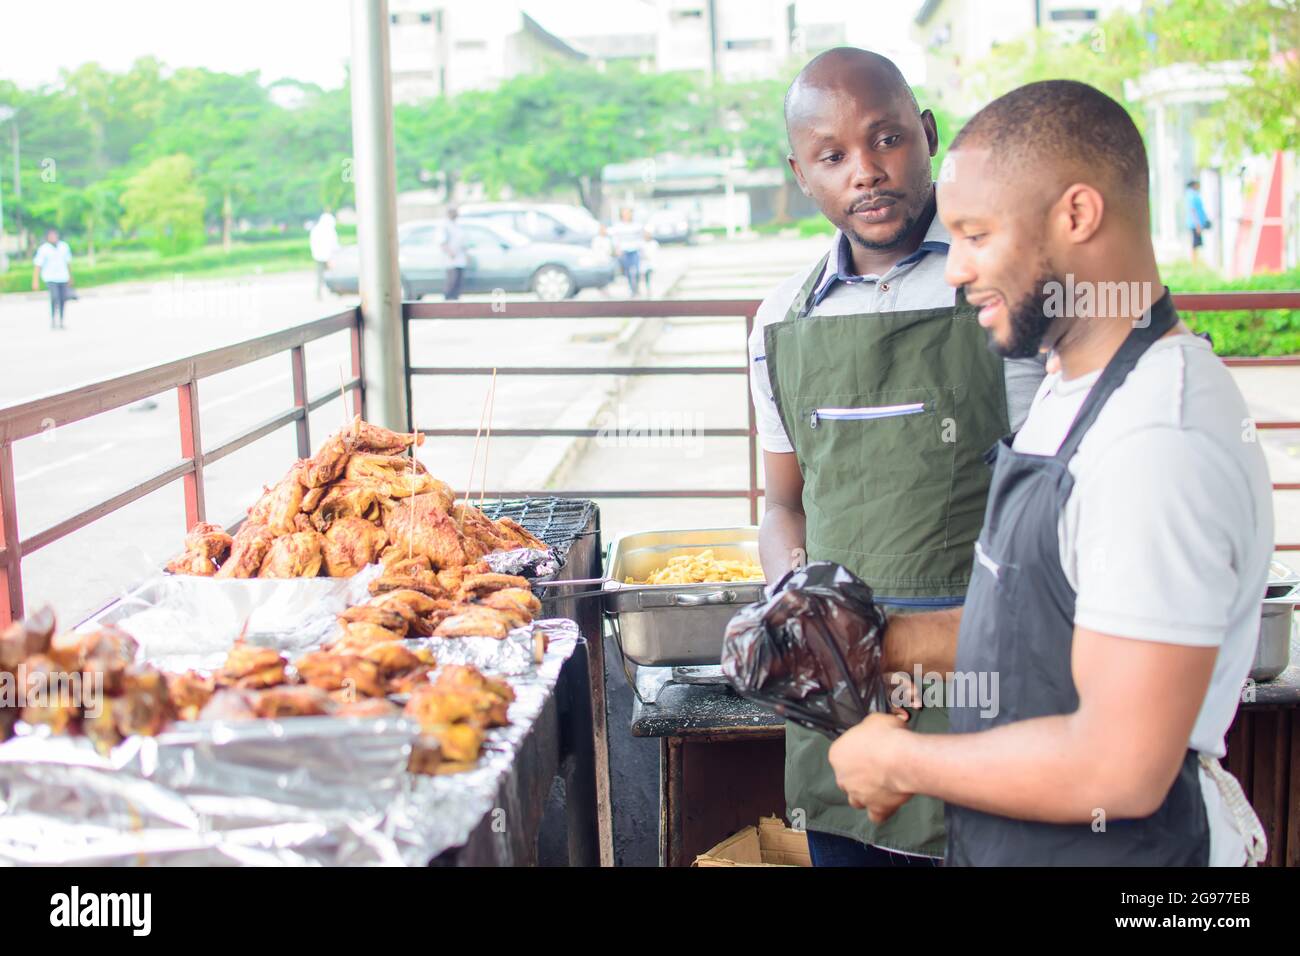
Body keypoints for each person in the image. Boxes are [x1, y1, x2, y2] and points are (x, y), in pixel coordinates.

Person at [828, 80, 1271, 867]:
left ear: (1076, 215)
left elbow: (1120, 767)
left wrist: (901, 761)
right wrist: (875, 642)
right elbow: (1050, 619)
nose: (956, 270)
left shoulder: (1155, 439)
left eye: (975, 234)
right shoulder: (1070, 385)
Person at [749, 47, 1045, 867]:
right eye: (833, 156)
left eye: (886, 140)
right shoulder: (781, 323)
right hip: (846, 696)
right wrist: (795, 606)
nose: (866, 173)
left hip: (996, 672)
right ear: (801, 174)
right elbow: (782, 503)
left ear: (929, 135)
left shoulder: (1006, 285)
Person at [33, 228, 73, 330]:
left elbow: (68, 263)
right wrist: (35, 281)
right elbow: (38, 265)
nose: (53, 238)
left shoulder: (64, 246)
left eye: (54, 235)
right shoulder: (43, 249)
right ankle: (53, 320)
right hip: (50, 277)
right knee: (55, 297)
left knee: (63, 299)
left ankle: (61, 321)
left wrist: (70, 277)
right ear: (47, 237)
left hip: (63, 277)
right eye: (51, 236)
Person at [309, 212, 340, 300]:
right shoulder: (330, 231)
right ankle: (335, 292)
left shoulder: (315, 229)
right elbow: (334, 244)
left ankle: (319, 294)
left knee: (320, 276)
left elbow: (312, 243)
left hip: (318, 256)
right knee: (332, 275)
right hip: (328, 257)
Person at [612, 208, 642, 296]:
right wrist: (617, 249)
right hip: (624, 251)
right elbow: (616, 239)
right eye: (624, 213)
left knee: (636, 270)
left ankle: (637, 287)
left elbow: (640, 238)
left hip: (634, 250)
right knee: (627, 271)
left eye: (628, 213)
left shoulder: (636, 226)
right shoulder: (618, 226)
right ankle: (631, 289)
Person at [442, 206, 469, 301]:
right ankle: (448, 302)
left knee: (458, 283)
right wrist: (451, 253)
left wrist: (466, 254)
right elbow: (442, 242)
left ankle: (455, 302)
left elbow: (462, 241)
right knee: (451, 282)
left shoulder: (457, 225)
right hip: (451, 259)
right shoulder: (445, 226)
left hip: (460, 259)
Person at [1185, 179, 1211, 266]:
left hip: (1196, 223)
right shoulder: (1192, 195)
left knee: (1196, 244)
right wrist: (1197, 225)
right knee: (1195, 244)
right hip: (1195, 224)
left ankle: (1195, 262)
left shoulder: (1191, 195)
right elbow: (1193, 210)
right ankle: (1194, 263)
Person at [640, 229, 659, 297]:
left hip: (651, 264)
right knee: (645, 278)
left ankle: (650, 290)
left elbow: (654, 254)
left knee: (650, 278)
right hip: (644, 264)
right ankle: (647, 290)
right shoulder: (641, 244)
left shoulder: (654, 243)